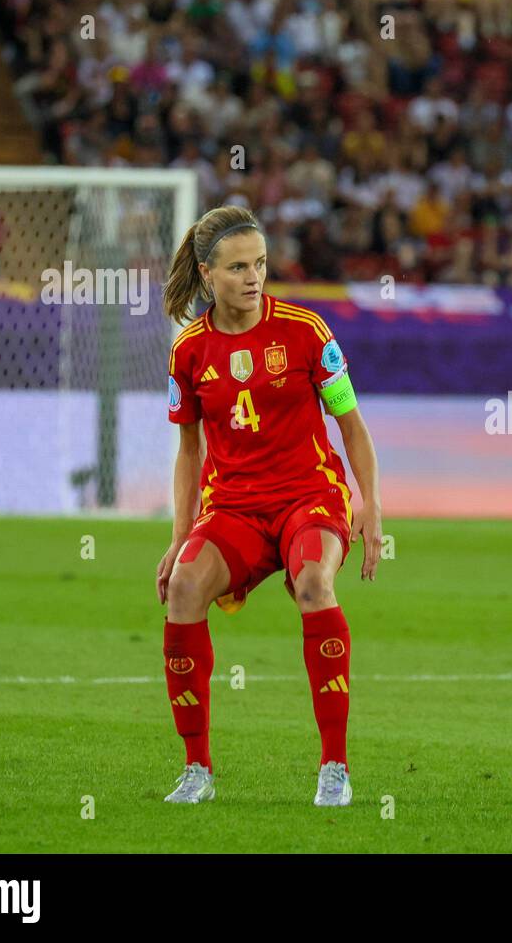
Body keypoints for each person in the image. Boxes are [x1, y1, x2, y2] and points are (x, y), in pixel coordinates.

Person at [155, 205, 383, 807]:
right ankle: (196, 769)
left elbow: (352, 427)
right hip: (233, 507)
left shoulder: (307, 331)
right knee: (182, 589)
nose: (254, 277)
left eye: (259, 263)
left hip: (310, 495)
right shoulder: (188, 352)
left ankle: (334, 767)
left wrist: (371, 506)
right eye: (237, 268)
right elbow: (188, 451)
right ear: (208, 274)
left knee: (313, 582)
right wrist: (179, 538)